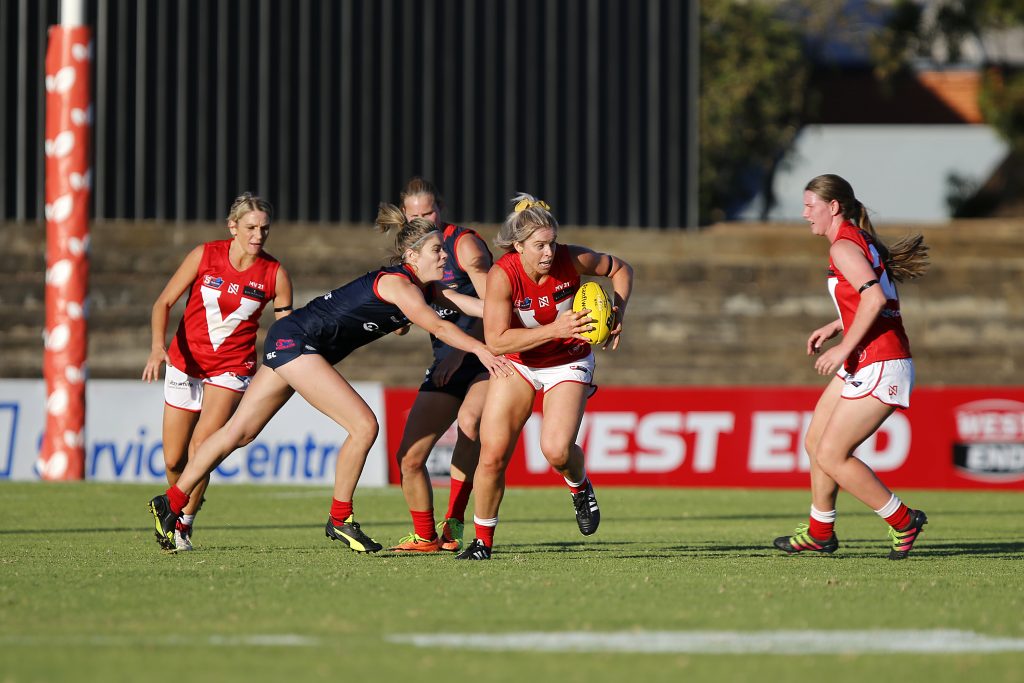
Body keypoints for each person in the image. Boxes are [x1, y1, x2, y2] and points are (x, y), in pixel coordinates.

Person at [146, 204, 511, 553]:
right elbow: (436, 324)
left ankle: (171, 501)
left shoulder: (423, 287)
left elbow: (473, 306)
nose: (445, 257)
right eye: (437, 250)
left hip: (291, 339)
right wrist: (481, 348)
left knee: (238, 432)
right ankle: (340, 518)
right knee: (364, 425)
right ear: (412, 257)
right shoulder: (400, 286)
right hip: (297, 342)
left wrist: (521, 314)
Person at [455, 193, 634, 560]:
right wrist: (556, 327)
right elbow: (497, 341)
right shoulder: (502, 275)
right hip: (518, 360)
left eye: (551, 243)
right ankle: (481, 543)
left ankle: (578, 484)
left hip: (568, 360)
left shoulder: (571, 258)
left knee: (555, 450)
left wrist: (618, 309)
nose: (549, 253)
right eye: (539, 246)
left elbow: (621, 269)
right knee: (492, 456)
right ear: (518, 246)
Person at [773, 173, 930, 560]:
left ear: (833, 207)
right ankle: (819, 531)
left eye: (811, 206)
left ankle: (903, 520)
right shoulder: (859, 242)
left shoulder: (843, 247)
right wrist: (834, 326)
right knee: (815, 443)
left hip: (880, 362)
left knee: (831, 454)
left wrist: (843, 348)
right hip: (870, 358)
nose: (804, 213)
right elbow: (880, 303)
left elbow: (875, 300)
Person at [142, 192, 293, 551]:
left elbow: (287, 330)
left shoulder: (275, 274)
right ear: (233, 227)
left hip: (231, 368)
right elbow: (163, 302)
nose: (259, 235)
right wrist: (156, 346)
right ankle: (177, 508)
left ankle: (182, 526)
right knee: (174, 458)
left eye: (264, 228)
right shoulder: (204, 255)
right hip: (184, 361)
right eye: (251, 227)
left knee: (203, 448)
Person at [388, 177, 494, 553]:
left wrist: (463, 350)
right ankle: (425, 537)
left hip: (487, 355)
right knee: (410, 458)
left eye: (429, 211)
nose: (423, 219)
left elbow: (495, 304)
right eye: (414, 214)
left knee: (470, 422)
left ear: (441, 210)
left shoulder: (462, 244)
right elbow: (405, 317)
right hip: (444, 359)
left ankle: (455, 522)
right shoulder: (412, 253)